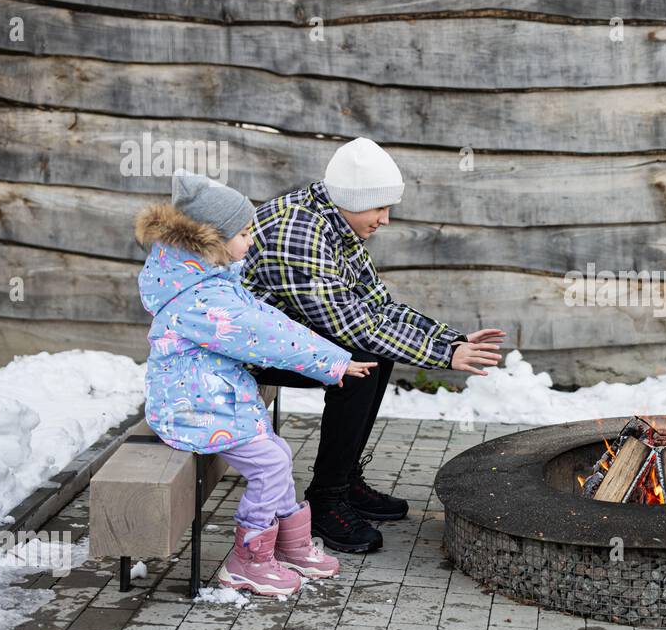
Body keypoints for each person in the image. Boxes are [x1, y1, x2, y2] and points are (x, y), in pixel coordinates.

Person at [242, 137, 505, 554]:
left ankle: (343, 479)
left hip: (282, 336)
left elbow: (378, 305)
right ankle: (327, 499)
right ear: (352, 197)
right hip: (243, 352)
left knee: (374, 354)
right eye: (379, 208)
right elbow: (352, 326)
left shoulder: (335, 220)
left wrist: (448, 340)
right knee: (358, 359)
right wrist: (444, 356)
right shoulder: (299, 232)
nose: (385, 220)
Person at [136, 171, 376, 597]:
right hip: (192, 409)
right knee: (270, 464)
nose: (251, 241)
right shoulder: (203, 299)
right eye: (244, 233)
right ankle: (248, 560)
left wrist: (332, 357)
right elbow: (264, 335)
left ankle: (291, 544)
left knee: (277, 453)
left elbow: (268, 322)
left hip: (211, 398)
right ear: (210, 239)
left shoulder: (206, 280)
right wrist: (334, 362)